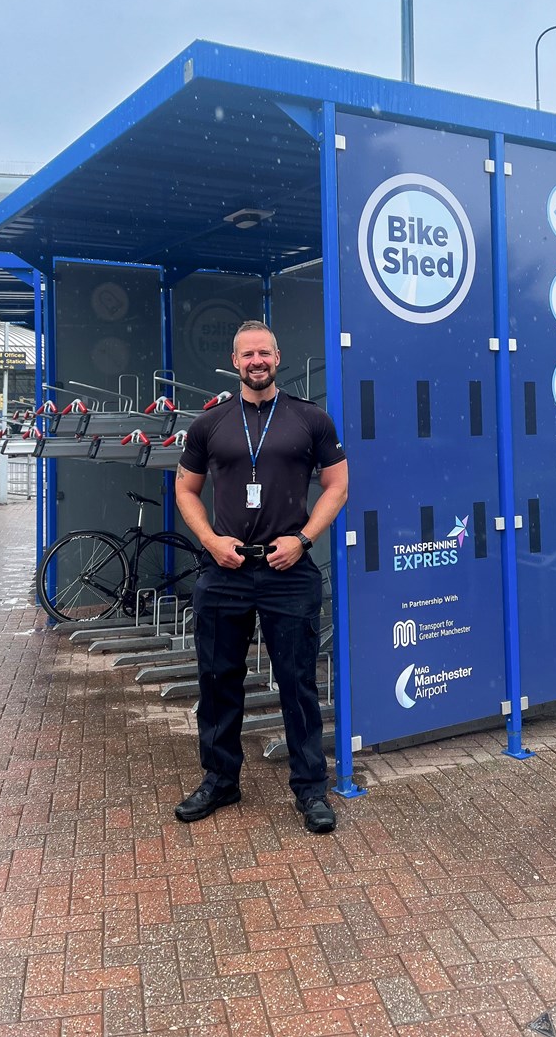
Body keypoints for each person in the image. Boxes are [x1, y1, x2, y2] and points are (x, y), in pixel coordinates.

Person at [173, 320, 348, 834]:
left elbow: (338, 485)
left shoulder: (310, 419)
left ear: (278, 357)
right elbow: (185, 490)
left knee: (298, 683)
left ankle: (311, 789)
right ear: (234, 361)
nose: (257, 361)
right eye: (247, 354)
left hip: (287, 569)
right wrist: (211, 541)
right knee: (217, 680)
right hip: (225, 569)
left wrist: (304, 540)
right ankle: (220, 780)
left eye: (264, 353)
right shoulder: (209, 424)